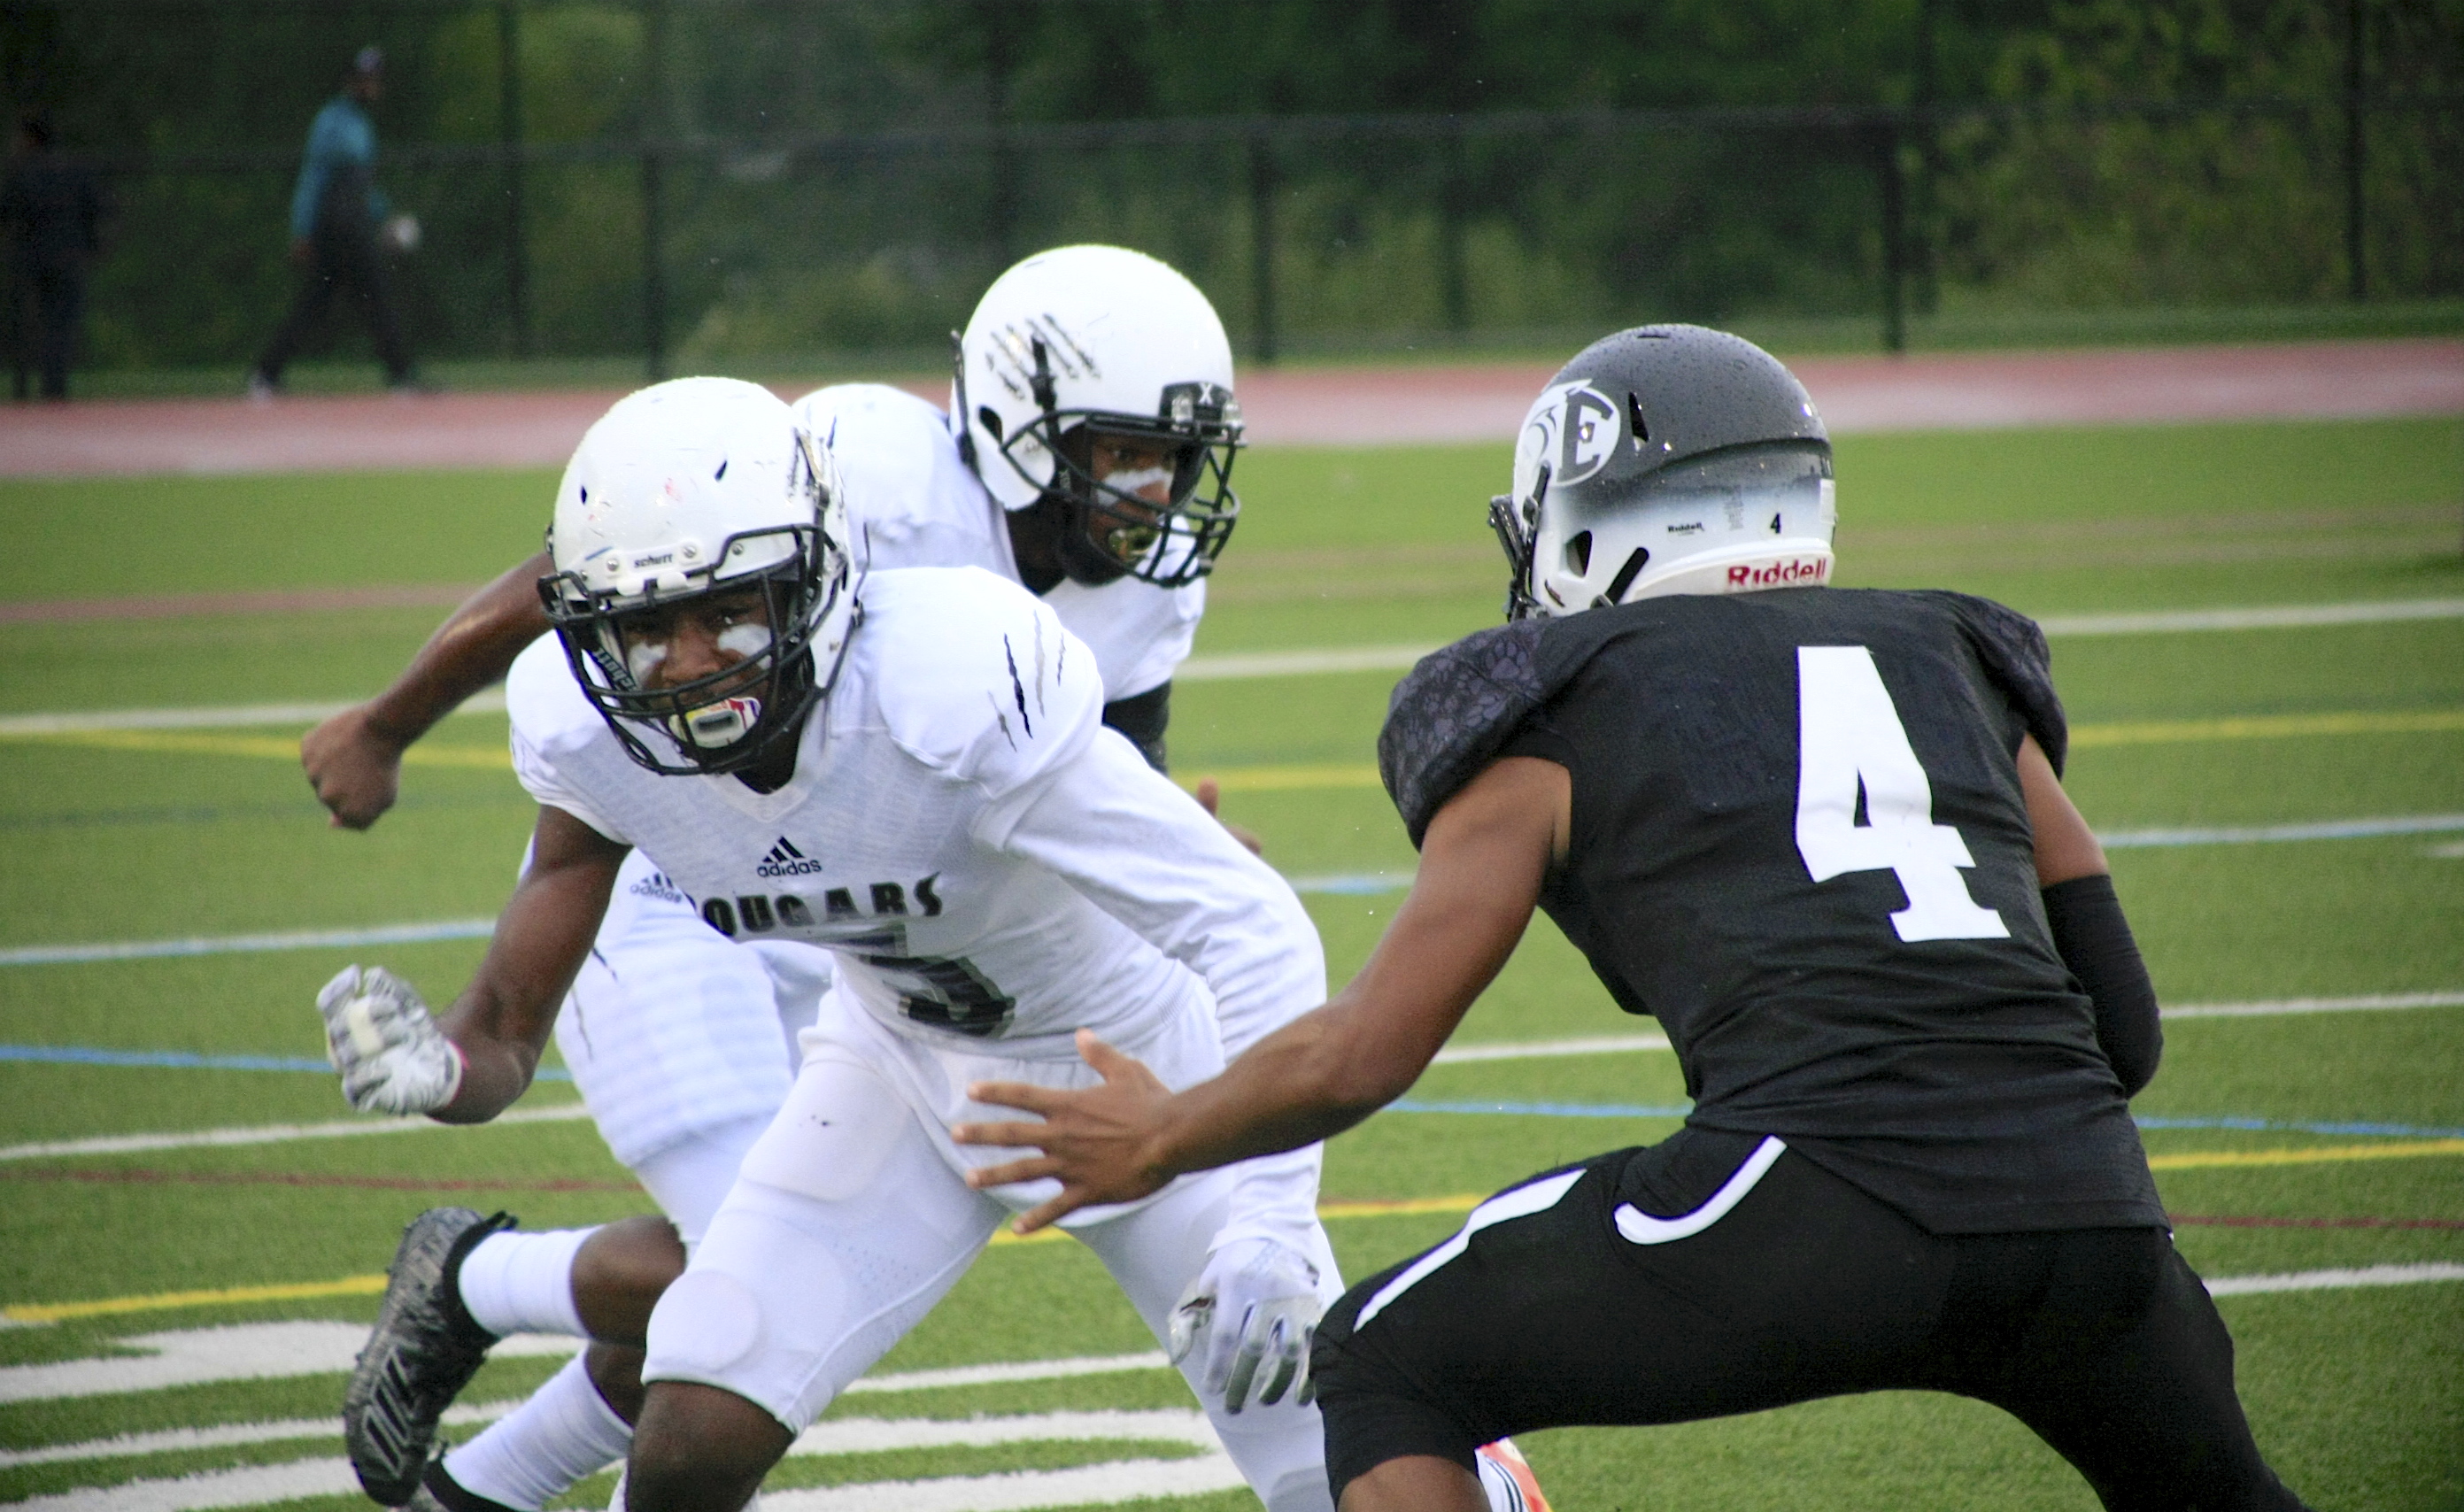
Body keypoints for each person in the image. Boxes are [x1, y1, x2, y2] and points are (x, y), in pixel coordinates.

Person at [950, 325, 2316, 1511]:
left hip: (1807, 1202)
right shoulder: (1955, 656)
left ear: (1589, 516)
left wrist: (1166, 1134)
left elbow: (1371, 1046)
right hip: (2093, 1223)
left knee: (1378, 1358)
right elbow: (2121, 1033)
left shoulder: (1553, 702)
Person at [317, 249, 1542, 1512]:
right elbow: (504, 1036)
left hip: (1119, 1064)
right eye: (645, 628)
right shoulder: (589, 732)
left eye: (731, 616)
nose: (688, 666)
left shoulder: (952, 680)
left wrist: (1271, 1217)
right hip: (897, 1063)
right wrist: (446, 1075)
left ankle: (1491, 1490)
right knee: (690, 1423)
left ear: (811, 579)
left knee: (1329, 1466)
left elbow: (1244, 923)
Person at [250, 45, 422, 397]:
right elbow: (313, 177)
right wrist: (301, 230)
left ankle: (266, 375)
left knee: (320, 301)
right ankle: (402, 377)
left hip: (355, 225)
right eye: (365, 79)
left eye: (375, 79)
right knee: (372, 296)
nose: (372, 85)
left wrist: (384, 216)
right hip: (336, 228)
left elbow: (364, 188)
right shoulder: (331, 120)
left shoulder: (362, 123)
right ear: (351, 81)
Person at [1, 111, 103, 402]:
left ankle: (22, 388)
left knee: (26, 323)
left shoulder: (22, 172)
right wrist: (92, 246)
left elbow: (5, 212)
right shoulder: (74, 169)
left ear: (31, 138)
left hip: (30, 259)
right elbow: (97, 210)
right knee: (61, 325)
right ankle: (54, 389)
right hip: (69, 258)